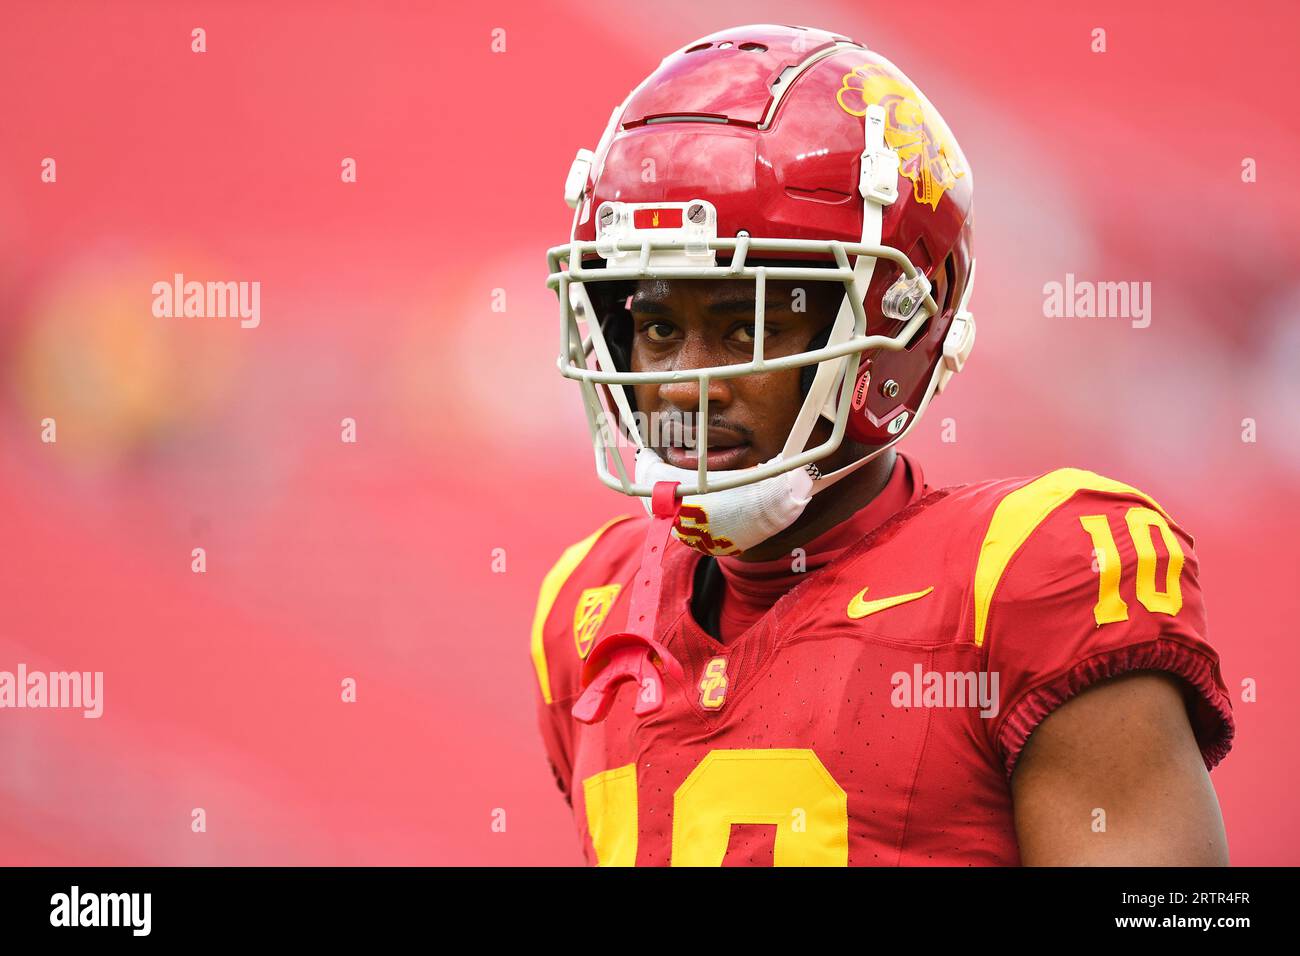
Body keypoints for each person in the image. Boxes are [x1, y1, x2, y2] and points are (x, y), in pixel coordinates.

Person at [531, 24, 1233, 866]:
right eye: (655, 325)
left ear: (891, 321)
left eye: (746, 324)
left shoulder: (1027, 580)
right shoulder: (587, 610)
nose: (685, 383)